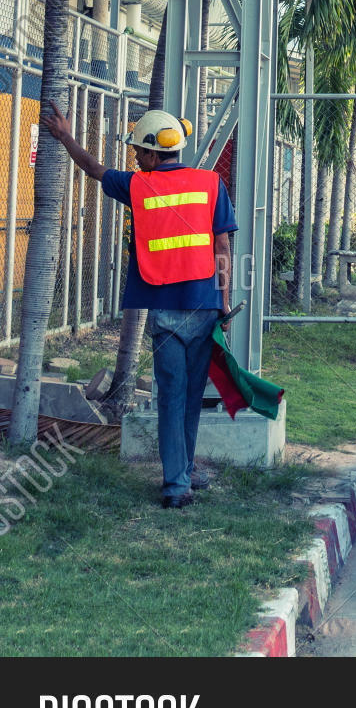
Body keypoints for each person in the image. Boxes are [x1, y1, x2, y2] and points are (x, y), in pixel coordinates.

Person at [41, 102, 236, 509]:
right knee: (190, 398)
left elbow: (93, 169)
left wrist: (64, 136)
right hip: (203, 310)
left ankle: (176, 484)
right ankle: (184, 470)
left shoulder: (139, 186)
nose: (135, 158)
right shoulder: (211, 184)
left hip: (164, 314)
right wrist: (224, 302)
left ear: (152, 153)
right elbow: (222, 246)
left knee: (171, 397)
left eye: (137, 152)